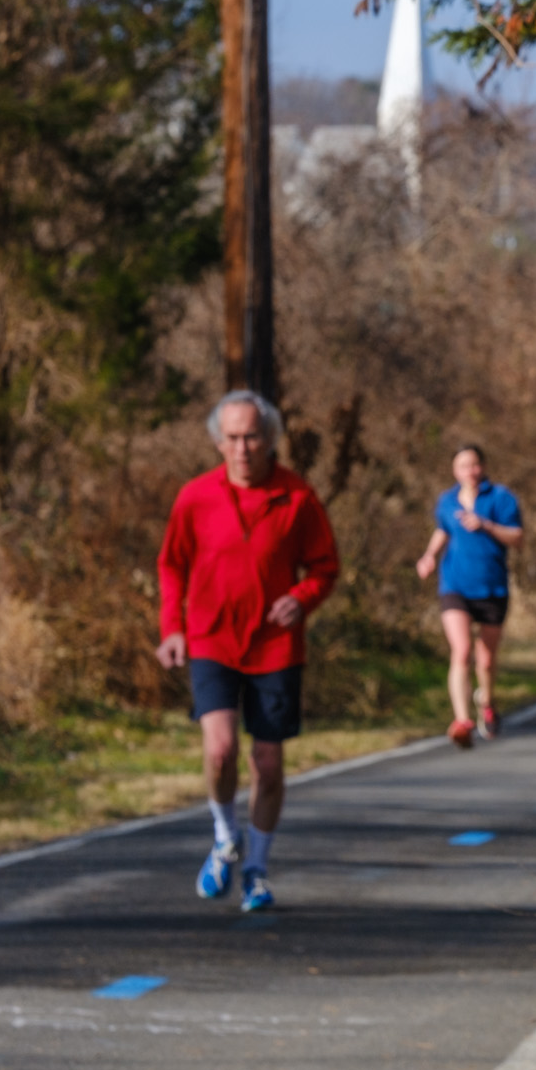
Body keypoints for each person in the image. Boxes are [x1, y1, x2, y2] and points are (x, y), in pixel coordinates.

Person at [156, 390, 341, 914]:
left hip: (275, 646)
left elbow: (325, 566)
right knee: (219, 750)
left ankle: (256, 869)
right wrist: (172, 629)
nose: (242, 447)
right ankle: (223, 835)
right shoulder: (195, 496)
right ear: (218, 441)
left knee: (269, 762)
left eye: (252, 436)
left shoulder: (297, 497)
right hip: (211, 637)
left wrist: (302, 599)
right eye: (232, 437)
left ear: (270, 439)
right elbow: (171, 564)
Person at [414, 442, 522, 746]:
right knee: (461, 651)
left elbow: (518, 537)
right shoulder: (447, 501)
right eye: (463, 466)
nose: (470, 472)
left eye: (475, 465)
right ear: (454, 470)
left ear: (483, 467)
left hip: (492, 588)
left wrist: (486, 525)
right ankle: (462, 720)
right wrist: (429, 556)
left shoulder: (500, 498)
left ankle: (486, 703)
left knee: (485, 661)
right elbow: (443, 530)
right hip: (455, 586)